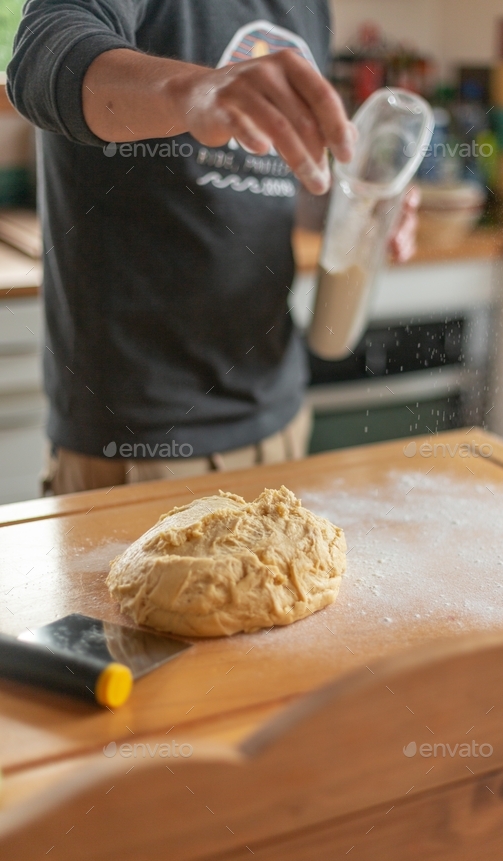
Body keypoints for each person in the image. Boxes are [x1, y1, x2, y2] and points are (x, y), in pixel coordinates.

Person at [7, 0, 419, 495]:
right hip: (146, 437)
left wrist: (354, 207)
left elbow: (269, 181)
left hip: (280, 415)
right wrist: (197, 91)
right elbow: (39, 58)